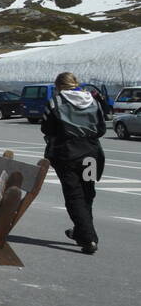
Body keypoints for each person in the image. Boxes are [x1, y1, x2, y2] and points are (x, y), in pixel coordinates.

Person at [43, 71, 107, 255]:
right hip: (91, 153)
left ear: (58, 86)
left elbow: (46, 127)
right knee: (88, 193)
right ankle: (81, 232)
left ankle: (89, 238)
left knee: (74, 196)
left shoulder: (55, 102)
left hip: (67, 155)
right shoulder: (93, 101)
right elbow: (102, 128)